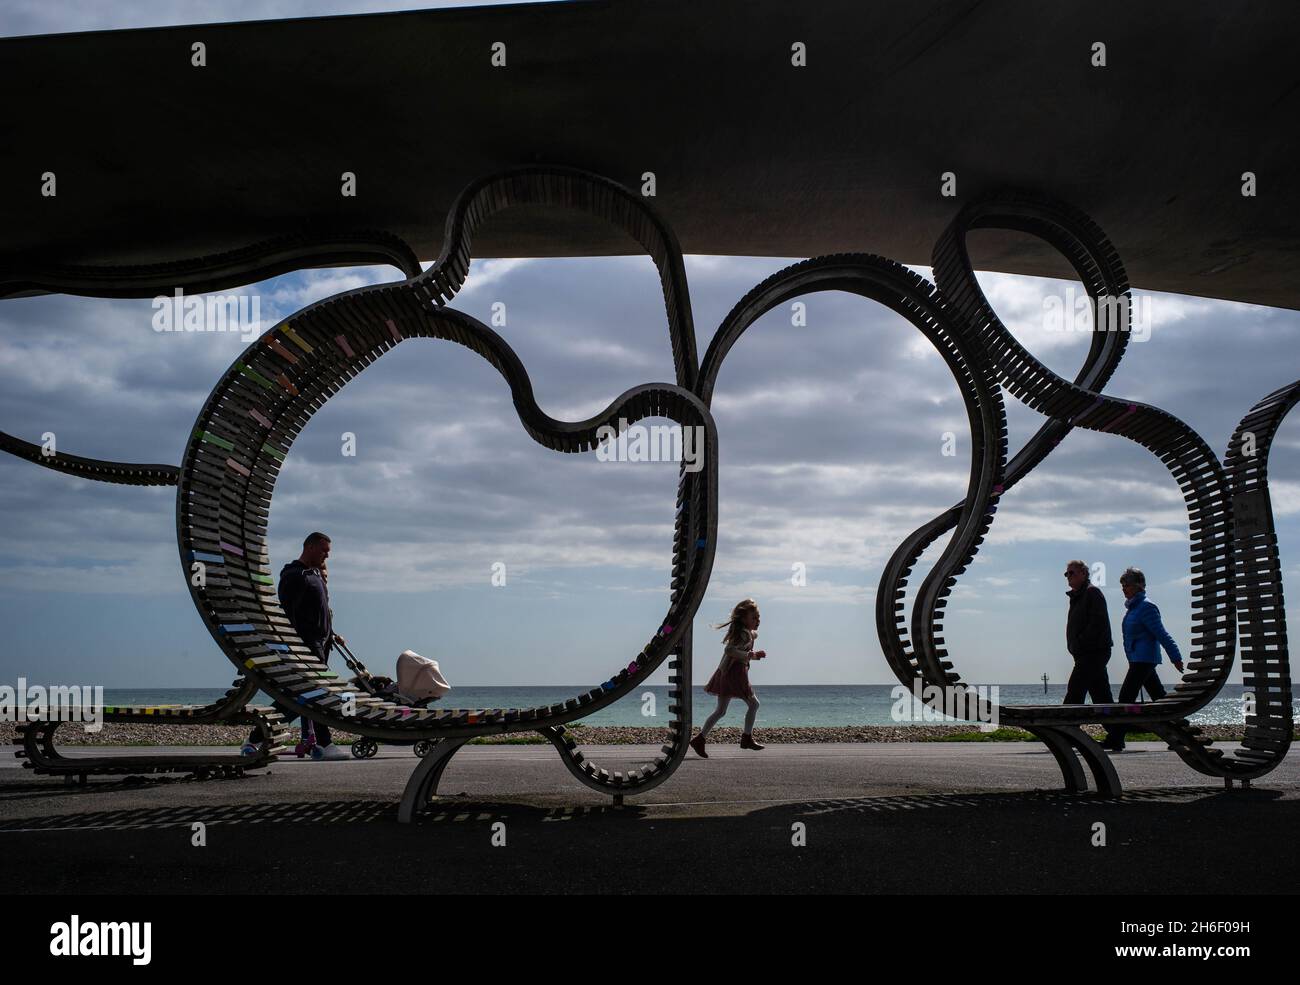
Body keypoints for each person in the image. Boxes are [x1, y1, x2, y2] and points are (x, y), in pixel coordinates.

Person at [242, 532, 350, 761]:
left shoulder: (315, 575)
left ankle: (322, 744)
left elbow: (319, 614)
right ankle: (256, 738)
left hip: (320, 645)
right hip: (303, 646)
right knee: (302, 697)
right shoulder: (295, 575)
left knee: (310, 696)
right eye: (324, 551)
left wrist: (331, 634)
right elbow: (287, 613)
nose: (326, 557)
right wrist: (290, 645)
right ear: (310, 548)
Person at [1103, 567, 1185, 751]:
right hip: (1138, 659)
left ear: (1139, 586)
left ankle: (1116, 738)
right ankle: (1179, 735)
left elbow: (1162, 634)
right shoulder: (1134, 607)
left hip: (1144, 660)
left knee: (1125, 698)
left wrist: (1176, 657)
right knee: (1160, 698)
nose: (1124, 588)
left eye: (1128, 585)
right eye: (1122, 585)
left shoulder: (1146, 607)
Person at [689, 598, 766, 758]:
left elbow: (749, 638)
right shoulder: (744, 635)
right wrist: (750, 655)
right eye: (754, 618)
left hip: (726, 673)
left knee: (721, 711)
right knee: (754, 704)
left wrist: (753, 650)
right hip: (735, 674)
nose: (757, 620)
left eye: (758, 617)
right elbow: (730, 650)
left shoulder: (747, 633)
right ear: (744, 619)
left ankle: (699, 739)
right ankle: (746, 738)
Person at [1062, 560, 1114, 706]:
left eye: (1072, 573)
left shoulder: (1092, 592)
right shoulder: (1077, 596)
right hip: (1084, 653)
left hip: (1093, 653)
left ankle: (1064, 725)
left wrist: (1078, 643)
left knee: (1075, 690)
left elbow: (1097, 624)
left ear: (1083, 573)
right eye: (1066, 573)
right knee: (1101, 697)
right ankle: (1116, 727)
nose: (1068, 576)